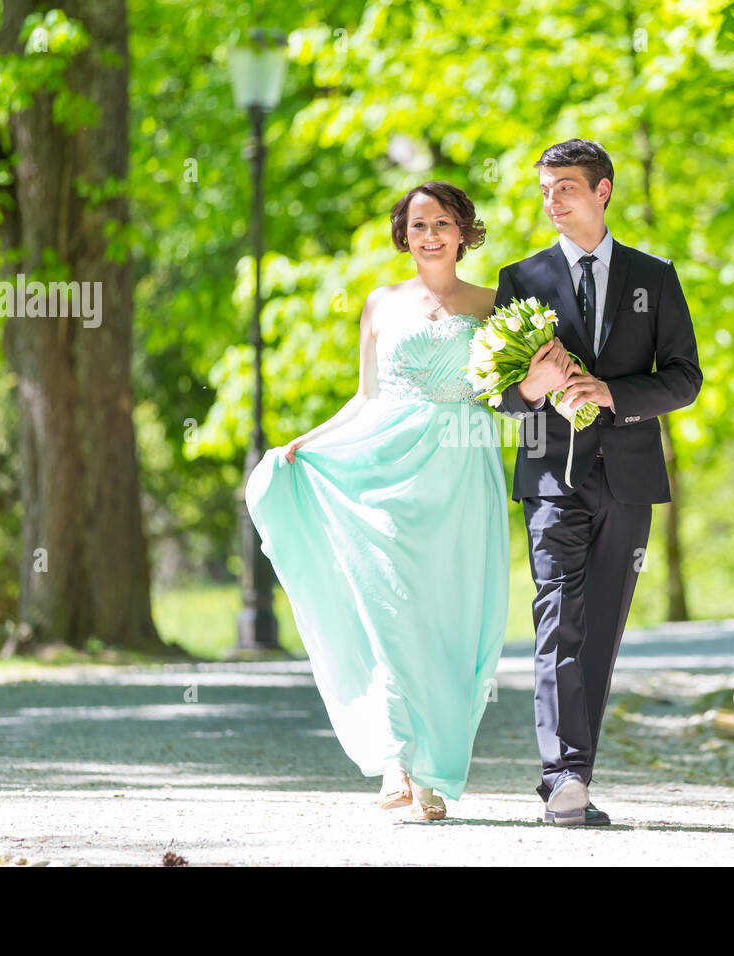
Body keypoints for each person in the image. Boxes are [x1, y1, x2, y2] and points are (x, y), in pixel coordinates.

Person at [244, 182, 509, 821]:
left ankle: (433, 771)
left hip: (462, 470)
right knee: (390, 607)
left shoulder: (495, 303)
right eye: (418, 225)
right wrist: (306, 443)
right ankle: (397, 759)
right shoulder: (380, 303)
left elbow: (515, 390)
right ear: (403, 234)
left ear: (463, 231)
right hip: (387, 471)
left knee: (449, 616)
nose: (430, 235)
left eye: (442, 223)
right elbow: (367, 398)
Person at [489, 139, 703, 825]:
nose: (552, 200)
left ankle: (576, 771)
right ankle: (563, 778)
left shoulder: (654, 277)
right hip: (551, 478)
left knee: (602, 626)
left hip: (630, 478)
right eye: (545, 189)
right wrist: (533, 386)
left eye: (566, 187)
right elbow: (502, 397)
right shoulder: (521, 278)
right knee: (558, 617)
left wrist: (612, 394)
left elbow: (684, 379)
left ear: (602, 190)